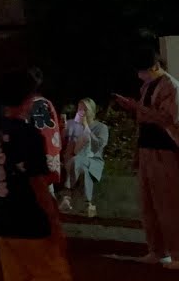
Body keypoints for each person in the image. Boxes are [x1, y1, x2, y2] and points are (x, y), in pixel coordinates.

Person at [0, 69, 71, 281]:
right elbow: (37, 183)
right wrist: (54, 222)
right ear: (28, 98)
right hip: (30, 222)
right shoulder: (29, 135)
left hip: (4, 222)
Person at [113, 48, 179, 267]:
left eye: (143, 70)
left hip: (164, 150)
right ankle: (157, 250)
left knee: (167, 204)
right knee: (148, 203)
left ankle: (176, 252)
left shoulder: (171, 86)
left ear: (155, 66)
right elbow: (144, 118)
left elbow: (170, 118)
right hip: (147, 149)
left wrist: (137, 107)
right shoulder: (147, 85)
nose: (140, 74)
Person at [58, 98, 109, 218]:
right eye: (79, 108)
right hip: (72, 158)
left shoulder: (101, 127)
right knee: (82, 167)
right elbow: (61, 142)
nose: (81, 112)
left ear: (92, 111)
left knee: (78, 162)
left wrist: (86, 127)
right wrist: (63, 129)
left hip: (92, 160)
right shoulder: (71, 124)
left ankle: (67, 196)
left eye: (85, 109)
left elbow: (98, 146)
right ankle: (88, 204)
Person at [22, 67, 63, 184]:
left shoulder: (32, 104)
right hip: (46, 155)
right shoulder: (43, 102)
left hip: (36, 160)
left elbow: (42, 133)